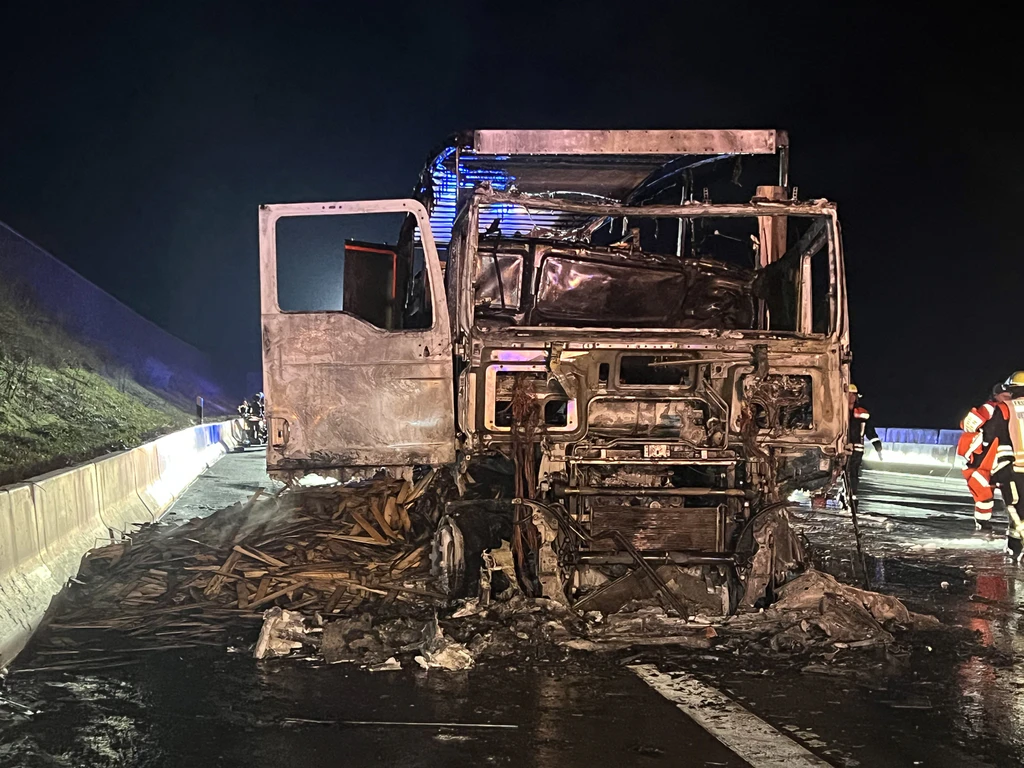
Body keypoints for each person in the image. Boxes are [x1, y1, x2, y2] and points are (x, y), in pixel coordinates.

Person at [961, 373, 1024, 562]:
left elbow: (971, 427)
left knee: (1016, 508)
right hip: (1012, 463)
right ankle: (1013, 546)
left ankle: (988, 529)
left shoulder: (1002, 407)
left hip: (1011, 464)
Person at [847, 383, 883, 502]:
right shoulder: (838, 412)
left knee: (853, 472)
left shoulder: (862, 412)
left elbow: (870, 432)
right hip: (843, 447)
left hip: (856, 449)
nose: (851, 397)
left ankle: (852, 494)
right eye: (849, 394)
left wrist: (878, 448)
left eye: (853, 395)